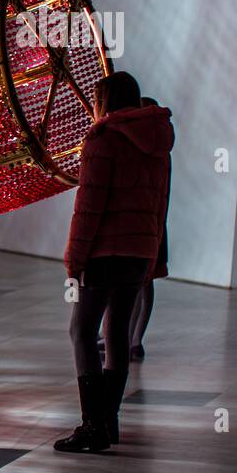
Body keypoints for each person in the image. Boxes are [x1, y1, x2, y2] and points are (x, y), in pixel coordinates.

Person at [57, 73, 172, 452]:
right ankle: (108, 423)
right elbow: (160, 206)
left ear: (102, 100)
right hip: (139, 251)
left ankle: (94, 425)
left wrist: (74, 259)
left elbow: (88, 207)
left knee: (82, 330)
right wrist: (153, 252)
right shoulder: (158, 141)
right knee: (117, 331)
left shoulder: (102, 138)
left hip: (105, 252)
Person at [96, 96, 169, 362]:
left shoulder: (121, 142)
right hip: (152, 222)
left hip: (135, 224)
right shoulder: (160, 147)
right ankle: (133, 340)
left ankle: (125, 340)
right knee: (143, 282)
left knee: (127, 284)